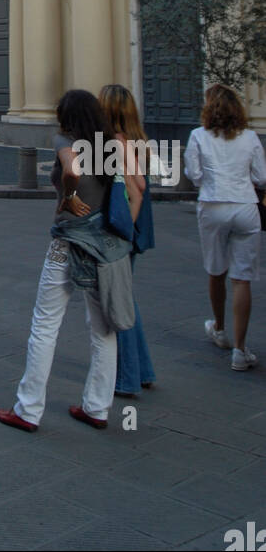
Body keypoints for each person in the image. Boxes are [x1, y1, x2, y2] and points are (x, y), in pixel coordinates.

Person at [0, 89, 132, 433]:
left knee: (45, 324)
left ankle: (28, 409)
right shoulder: (110, 144)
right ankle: (97, 408)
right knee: (103, 329)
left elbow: (71, 168)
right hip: (104, 244)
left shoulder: (65, 139)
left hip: (69, 242)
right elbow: (132, 188)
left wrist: (68, 198)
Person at [185, 84, 266, 372]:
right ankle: (240, 351)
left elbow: (193, 175)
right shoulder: (250, 137)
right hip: (245, 206)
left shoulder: (198, 136)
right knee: (242, 279)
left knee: (216, 271)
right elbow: (261, 176)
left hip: (213, 205)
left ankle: (219, 329)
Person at [99, 84, 155, 397]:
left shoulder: (115, 142)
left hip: (124, 230)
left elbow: (138, 188)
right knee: (126, 299)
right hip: (135, 228)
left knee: (118, 304)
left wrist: (123, 230)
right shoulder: (137, 140)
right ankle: (143, 369)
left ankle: (128, 378)